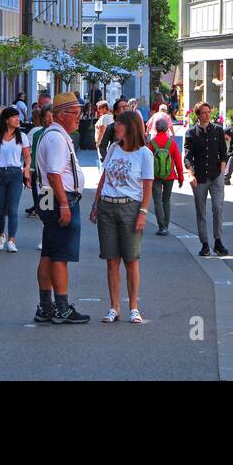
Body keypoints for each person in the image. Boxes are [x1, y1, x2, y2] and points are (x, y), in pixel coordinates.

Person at [90, 110, 155, 323]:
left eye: (118, 124)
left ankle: (134, 307)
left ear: (130, 127)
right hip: (108, 206)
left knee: (131, 260)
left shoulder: (144, 153)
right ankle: (114, 307)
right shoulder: (114, 149)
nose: (115, 127)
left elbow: (147, 186)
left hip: (130, 207)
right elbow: (104, 177)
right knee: (111, 260)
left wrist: (143, 213)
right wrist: (95, 203)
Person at [34, 92, 89, 324]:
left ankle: (46, 307)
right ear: (62, 115)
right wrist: (65, 204)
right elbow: (55, 174)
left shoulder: (51, 135)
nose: (80, 118)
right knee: (59, 256)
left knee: (49, 252)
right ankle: (62, 308)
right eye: (76, 113)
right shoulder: (57, 138)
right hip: (59, 198)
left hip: (50, 197)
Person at [183, 101, 228, 257]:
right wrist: (190, 174)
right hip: (200, 177)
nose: (207, 115)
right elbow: (188, 156)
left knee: (217, 208)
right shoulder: (191, 133)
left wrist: (222, 171)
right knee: (201, 212)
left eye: (208, 112)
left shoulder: (217, 130)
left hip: (216, 175)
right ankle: (204, 244)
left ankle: (218, 241)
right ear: (198, 115)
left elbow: (224, 152)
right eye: (203, 112)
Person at [0, 107, 30, 252]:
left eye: (18, 117)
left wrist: (27, 168)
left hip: (15, 174)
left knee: (12, 209)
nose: (18, 119)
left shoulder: (22, 136)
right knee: (0, 210)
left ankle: (12, 240)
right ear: (6, 120)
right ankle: (1, 235)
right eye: (14, 117)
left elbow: (27, 155)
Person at [148, 111, 183, 236]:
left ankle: (161, 226)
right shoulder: (171, 143)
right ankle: (166, 226)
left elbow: (146, 161)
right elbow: (178, 161)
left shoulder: (152, 143)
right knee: (166, 200)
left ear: (156, 128)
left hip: (155, 176)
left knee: (157, 200)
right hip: (170, 175)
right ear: (167, 128)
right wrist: (180, 177)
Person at [25, 105, 53, 225]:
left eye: (53, 116)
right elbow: (34, 154)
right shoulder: (38, 134)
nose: (51, 119)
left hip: (62, 180)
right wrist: (30, 171)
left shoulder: (61, 134)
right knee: (46, 211)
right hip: (45, 179)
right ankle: (45, 240)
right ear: (43, 118)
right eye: (48, 116)